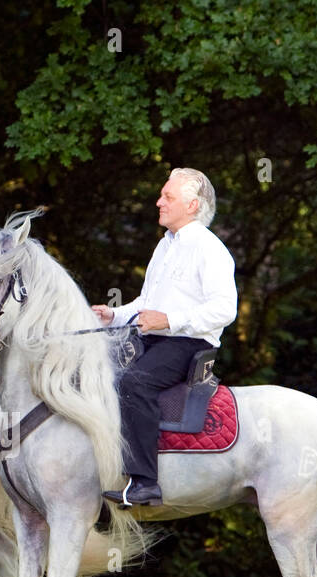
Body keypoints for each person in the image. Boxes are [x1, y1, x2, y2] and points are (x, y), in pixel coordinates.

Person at [91, 167, 237, 507]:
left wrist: (169, 320)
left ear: (192, 205)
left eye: (167, 197)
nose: (158, 202)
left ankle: (145, 483)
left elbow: (224, 310)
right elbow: (146, 305)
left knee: (134, 383)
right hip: (157, 337)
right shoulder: (165, 246)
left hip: (191, 344)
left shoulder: (210, 249)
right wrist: (114, 315)